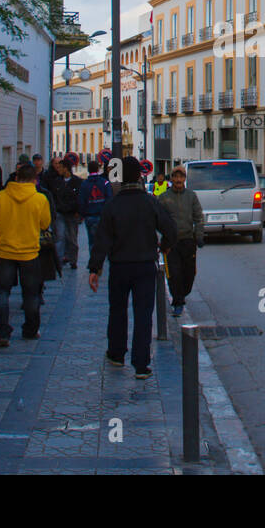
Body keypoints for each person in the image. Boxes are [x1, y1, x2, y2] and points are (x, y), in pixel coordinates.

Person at [88, 156, 179, 379]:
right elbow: (171, 230)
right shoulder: (150, 202)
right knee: (143, 314)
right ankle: (141, 364)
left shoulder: (113, 205)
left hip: (119, 266)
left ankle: (117, 354)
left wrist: (94, 268)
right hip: (145, 265)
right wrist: (164, 247)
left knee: (117, 311)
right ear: (139, 176)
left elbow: (102, 240)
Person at [0, 162, 52, 348]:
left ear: (16, 177)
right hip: (29, 254)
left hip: (5, 252)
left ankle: (3, 332)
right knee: (30, 294)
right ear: (34, 180)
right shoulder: (40, 199)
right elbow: (45, 224)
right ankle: (30, 330)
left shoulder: (1, 197)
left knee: (2, 292)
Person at [158, 166, 204, 317]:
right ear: (171, 178)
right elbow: (157, 219)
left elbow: (198, 217)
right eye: (175, 177)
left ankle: (182, 295)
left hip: (188, 241)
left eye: (181, 177)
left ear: (184, 179)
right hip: (171, 243)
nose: (178, 180)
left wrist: (199, 235)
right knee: (174, 274)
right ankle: (178, 302)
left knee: (189, 274)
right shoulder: (164, 198)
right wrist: (161, 240)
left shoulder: (191, 196)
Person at [47, 157, 83, 269]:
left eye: (61, 167)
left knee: (72, 238)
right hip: (60, 213)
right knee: (60, 236)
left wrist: (78, 211)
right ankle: (59, 260)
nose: (58, 169)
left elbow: (79, 198)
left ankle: (73, 260)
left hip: (72, 214)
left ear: (66, 169)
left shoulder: (77, 181)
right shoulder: (57, 182)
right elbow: (54, 197)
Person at [78, 160, 114, 255]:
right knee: (104, 238)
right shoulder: (105, 183)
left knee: (92, 241)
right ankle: (103, 258)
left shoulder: (84, 184)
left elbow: (81, 201)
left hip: (90, 215)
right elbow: (109, 199)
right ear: (98, 169)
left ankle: (94, 262)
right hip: (102, 215)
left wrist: (82, 214)